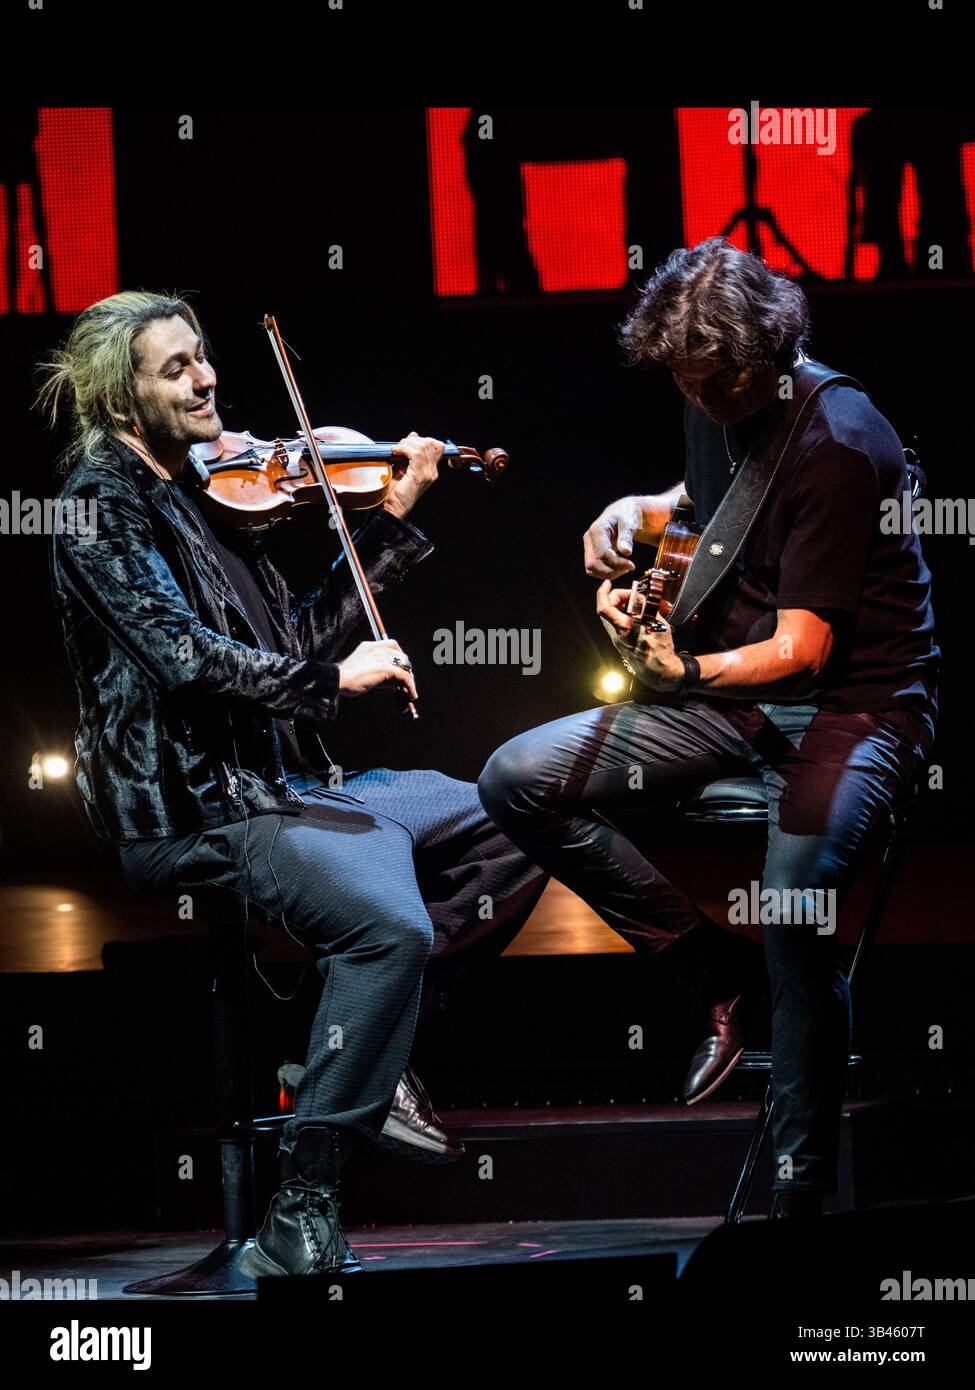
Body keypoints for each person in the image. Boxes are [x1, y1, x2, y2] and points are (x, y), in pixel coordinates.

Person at [38, 291, 549, 1275]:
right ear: (120, 395)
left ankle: (361, 1044)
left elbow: (301, 641)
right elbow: (179, 656)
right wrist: (333, 684)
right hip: (193, 806)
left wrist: (392, 526)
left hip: (288, 787)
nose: (207, 379)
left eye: (205, 359)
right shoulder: (94, 499)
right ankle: (302, 1199)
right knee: (391, 926)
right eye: (175, 368)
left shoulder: (216, 491)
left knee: (517, 806)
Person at [478, 237, 939, 1219]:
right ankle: (720, 976)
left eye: (716, 379)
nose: (701, 395)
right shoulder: (711, 397)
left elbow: (805, 649)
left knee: (792, 901)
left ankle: (799, 1188)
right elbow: (701, 514)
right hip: (730, 694)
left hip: (852, 707)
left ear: (770, 350)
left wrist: (681, 670)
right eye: (686, 380)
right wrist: (636, 529)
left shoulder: (841, 439)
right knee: (516, 775)